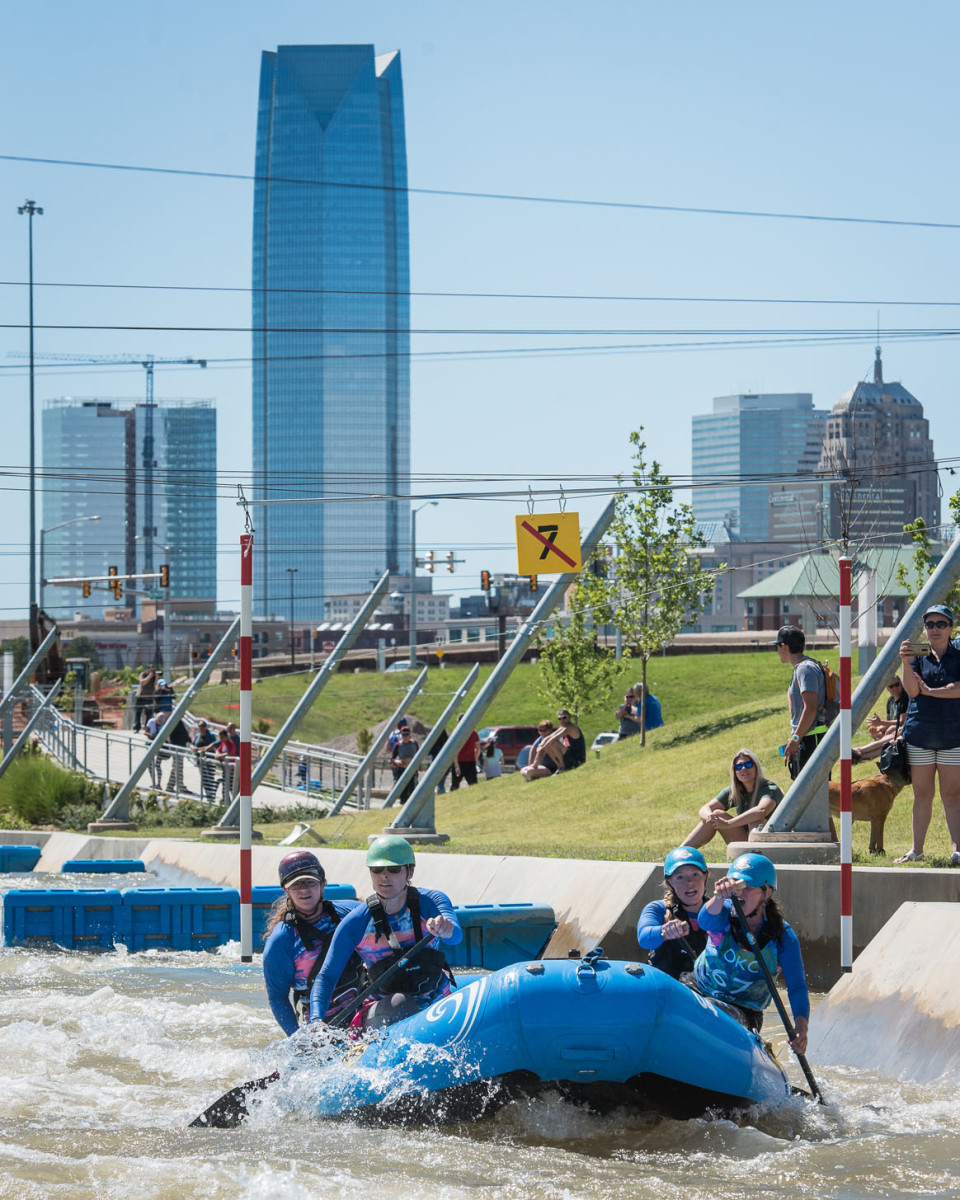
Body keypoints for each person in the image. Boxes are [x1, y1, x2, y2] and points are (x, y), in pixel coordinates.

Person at [309, 835, 462, 1031]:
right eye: (377, 870)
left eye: (394, 869)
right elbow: (327, 975)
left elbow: (456, 936)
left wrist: (446, 929)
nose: (384, 876)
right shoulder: (356, 923)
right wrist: (315, 1019)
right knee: (401, 1002)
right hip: (383, 1011)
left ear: (410, 871)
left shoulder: (431, 901)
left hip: (436, 1000)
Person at [691, 853, 810, 1055]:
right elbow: (704, 921)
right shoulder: (722, 911)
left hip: (744, 1011)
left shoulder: (783, 937)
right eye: (736, 886)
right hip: (698, 990)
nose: (739, 892)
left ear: (766, 893)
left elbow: (797, 987)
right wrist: (719, 896)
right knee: (702, 1007)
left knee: (709, 1009)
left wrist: (801, 1028)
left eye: (747, 887)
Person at [261, 850, 363, 1034]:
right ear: (286, 890)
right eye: (296, 884)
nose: (304, 889)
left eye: (310, 882)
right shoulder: (281, 941)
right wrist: (297, 1038)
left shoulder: (352, 912)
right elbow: (278, 997)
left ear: (323, 884)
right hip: (322, 1026)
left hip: (365, 1008)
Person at [895, 604, 960, 865]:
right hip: (920, 735)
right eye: (930, 624)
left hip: (953, 736)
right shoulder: (916, 657)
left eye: (940, 624)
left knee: (953, 795)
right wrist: (904, 661)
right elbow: (911, 691)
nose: (935, 629)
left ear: (950, 628)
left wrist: (932, 692)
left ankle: (958, 850)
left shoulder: (958, 656)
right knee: (922, 795)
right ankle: (917, 850)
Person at [681, 749, 783, 848]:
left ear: (756, 767)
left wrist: (728, 824)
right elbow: (705, 808)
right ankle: (678, 854)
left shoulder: (770, 788)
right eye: (738, 766)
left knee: (755, 820)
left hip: (774, 841)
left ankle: (756, 859)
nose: (743, 769)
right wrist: (710, 817)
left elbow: (762, 810)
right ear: (735, 772)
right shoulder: (735, 791)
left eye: (748, 764)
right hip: (747, 840)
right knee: (716, 814)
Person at [636, 847, 709, 979]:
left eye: (695, 874)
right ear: (669, 883)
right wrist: (664, 931)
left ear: (705, 877)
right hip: (668, 987)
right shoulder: (657, 909)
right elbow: (644, 938)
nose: (690, 882)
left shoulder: (720, 908)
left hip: (705, 988)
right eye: (680, 877)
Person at [774, 625, 827, 780]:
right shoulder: (803, 667)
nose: (776, 651)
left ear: (783, 646)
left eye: (776, 647)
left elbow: (810, 708)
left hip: (812, 738)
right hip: (807, 737)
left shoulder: (805, 669)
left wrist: (796, 739)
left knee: (813, 793)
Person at [851, 676, 909, 763]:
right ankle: (861, 757)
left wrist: (881, 723)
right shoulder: (890, 701)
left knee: (891, 731)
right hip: (894, 734)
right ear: (887, 688)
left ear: (901, 684)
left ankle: (860, 752)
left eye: (897, 684)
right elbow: (888, 722)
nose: (895, 688)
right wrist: (878, 729)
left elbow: (901, 721)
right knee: (884, 733)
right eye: (891, 686)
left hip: (901, 732)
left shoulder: (905, 698)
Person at [521, 709, 585, 780]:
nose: (562, 720)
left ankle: (562, 767)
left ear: (569, 717)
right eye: (559, 718)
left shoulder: (571, 727)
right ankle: (560, 767)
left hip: (577, 760)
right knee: (548, 742)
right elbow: (548, 738)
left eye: (564, 717)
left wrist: (542, 749)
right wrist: (541, 746)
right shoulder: (562, 727)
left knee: (552, 742)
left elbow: (553, 738)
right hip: (567, 757)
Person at [390, 724, 420, 802]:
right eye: (403, 735)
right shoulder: (398, 745)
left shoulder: (414, 743)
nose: (405, 736)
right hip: (401, 770)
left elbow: (419, 754)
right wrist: (397, 761)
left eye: (407, 734)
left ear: (409, 735)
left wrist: (419, 766)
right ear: (401, 735)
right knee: (403, 791)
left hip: (412, 770)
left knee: (412, 790)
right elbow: (392, 759)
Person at [192, 719, 218, 800]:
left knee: (210, 776)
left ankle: (212, 793)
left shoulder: (211, 736)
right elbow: (192, 745)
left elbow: (212, 746)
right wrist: (194, 748)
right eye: (200, 726)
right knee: (204, 777)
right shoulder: (197, 736)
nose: (202, 728)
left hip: (209, 759)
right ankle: (208, 794)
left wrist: (199, 749)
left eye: (203, 726)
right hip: (200, 760)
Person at [451, 715, 479, 788]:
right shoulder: (473, 732)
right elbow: (478, 749)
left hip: (459, 761)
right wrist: (475, 759)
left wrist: (456, 766)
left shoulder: (455, 733)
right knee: (473, 785)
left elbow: (454, 751)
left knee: (455, 786)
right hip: (471, 761)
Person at [133, 666, 157, 733]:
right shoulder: (143, 674)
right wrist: (149, 676)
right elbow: (142, 683)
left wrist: (156, 678)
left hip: (149, 698)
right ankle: (136, 728)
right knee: (138, 713)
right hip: (140, 697)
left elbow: (156, 686)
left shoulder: (155, 677)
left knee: (149, 714)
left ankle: (147, 728)